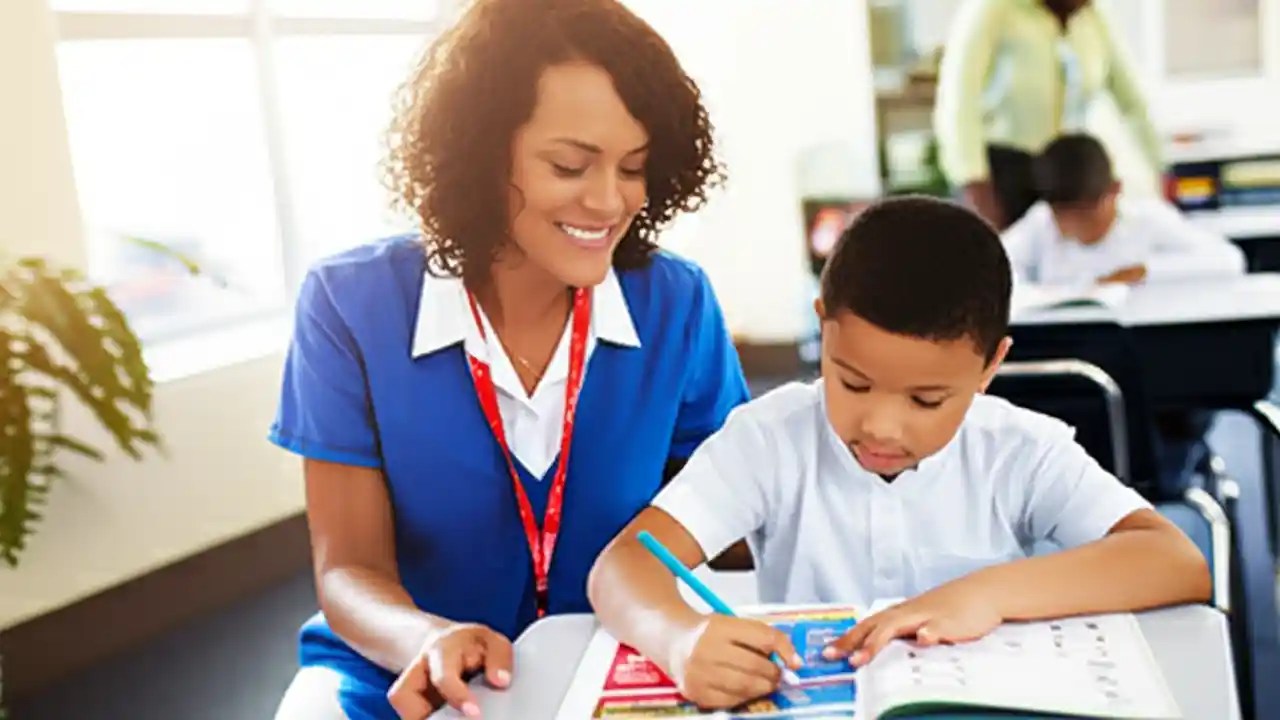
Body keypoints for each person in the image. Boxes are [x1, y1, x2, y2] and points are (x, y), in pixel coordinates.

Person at [267, 1, 749, 718]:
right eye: (569, 164)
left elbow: (740, 517)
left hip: (617, 663)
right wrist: (426, 638)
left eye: (635, 168)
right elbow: (348, 571)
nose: (608, 200)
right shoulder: (349, 305)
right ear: (483, 150)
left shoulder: (675, 304)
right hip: (408, 674)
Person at [587, 196, 1210, 711]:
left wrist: (985, 594)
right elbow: (621, 568)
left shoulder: (1018, 448)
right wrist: (680, 637)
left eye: (927, 399)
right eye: (851, 383)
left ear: (991, 365)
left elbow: (1174, 560)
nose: (881, 426)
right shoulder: (769, 437)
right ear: (822, 326)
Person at [934, 0, 1164, 230]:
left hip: (1067, 173)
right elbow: (959, 100)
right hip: (1003, 173)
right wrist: (973, 184)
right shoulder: (994, 9)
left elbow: (1133, 104)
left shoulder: (1093, 18)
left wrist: (1163, 169)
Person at [1003, 133, 1245, 287]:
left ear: (1114, 190)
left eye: (1085, 214)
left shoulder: (1148, 220)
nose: (1074, 227)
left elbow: (1228, 260)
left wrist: (1143, 272)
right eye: (1063, 216)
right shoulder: (1041, 223)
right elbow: (995, 267)